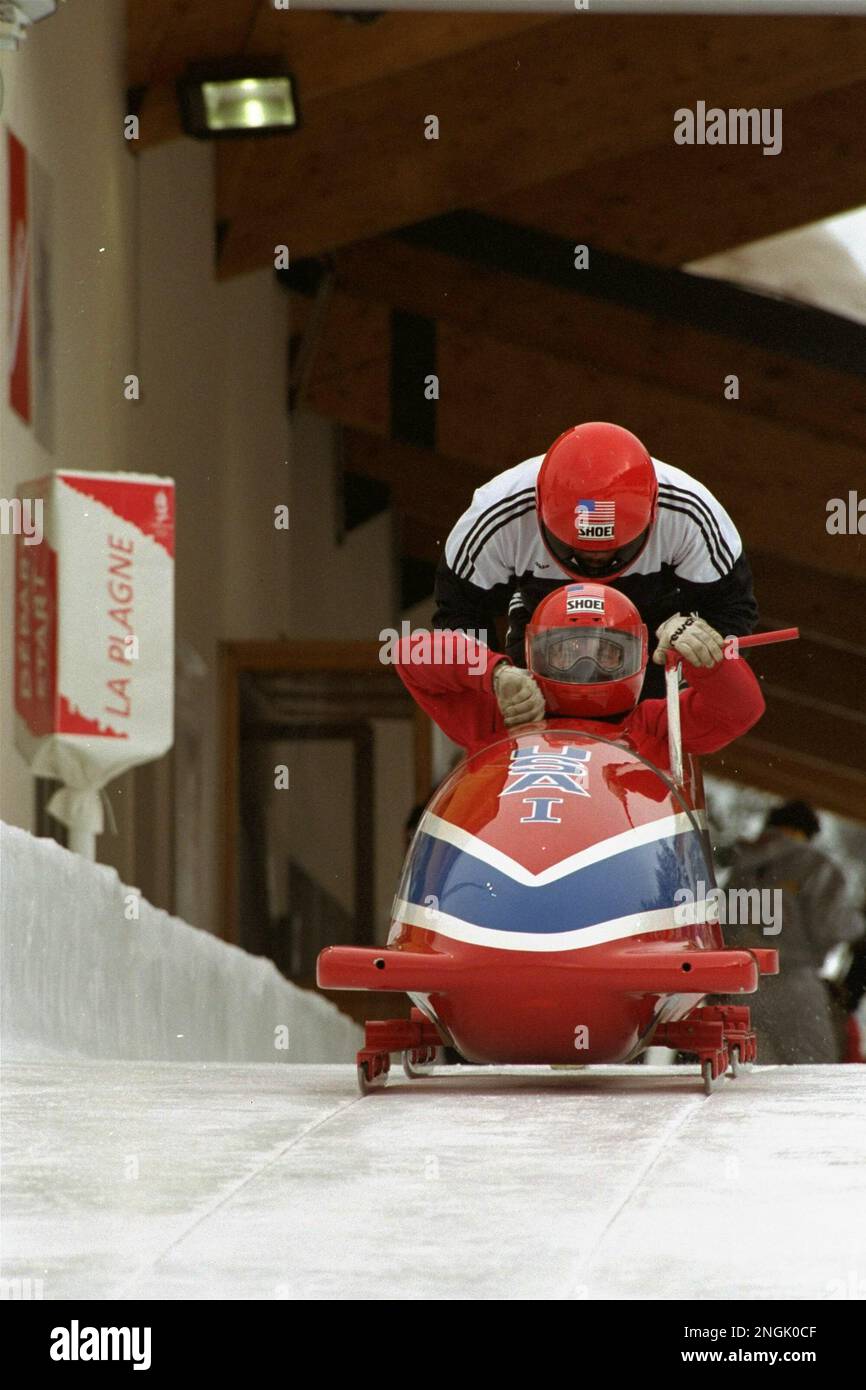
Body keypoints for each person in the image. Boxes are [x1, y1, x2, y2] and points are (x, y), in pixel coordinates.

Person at [433, 420, 758, 699]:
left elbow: (732, 611)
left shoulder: (691, 512)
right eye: (580, 550)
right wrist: (495, 680)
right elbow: (459, 612)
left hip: (654, 641)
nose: (596, 559)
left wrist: (690, 676)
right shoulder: (498, 512)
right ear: (541, 512)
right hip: (540, 642)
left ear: (652, 516)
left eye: (612, 551)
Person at [395, 581, 765, 767]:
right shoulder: (503, 716)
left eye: (606, 652)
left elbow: (741, 708)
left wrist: (706, 657)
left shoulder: (657, 725)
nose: (585, 667)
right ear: (533, 653)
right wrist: (495, 674)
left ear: (636, 657)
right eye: (567, 651)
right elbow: (410, 652)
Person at [722, 802, 864, 1063]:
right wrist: (859, 923)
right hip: (795, 986)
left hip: (741, 987)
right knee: (813, 1076)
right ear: (809, 832)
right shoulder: (814, 865)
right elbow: (832, 925)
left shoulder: (740, 870)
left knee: (752, 1079)